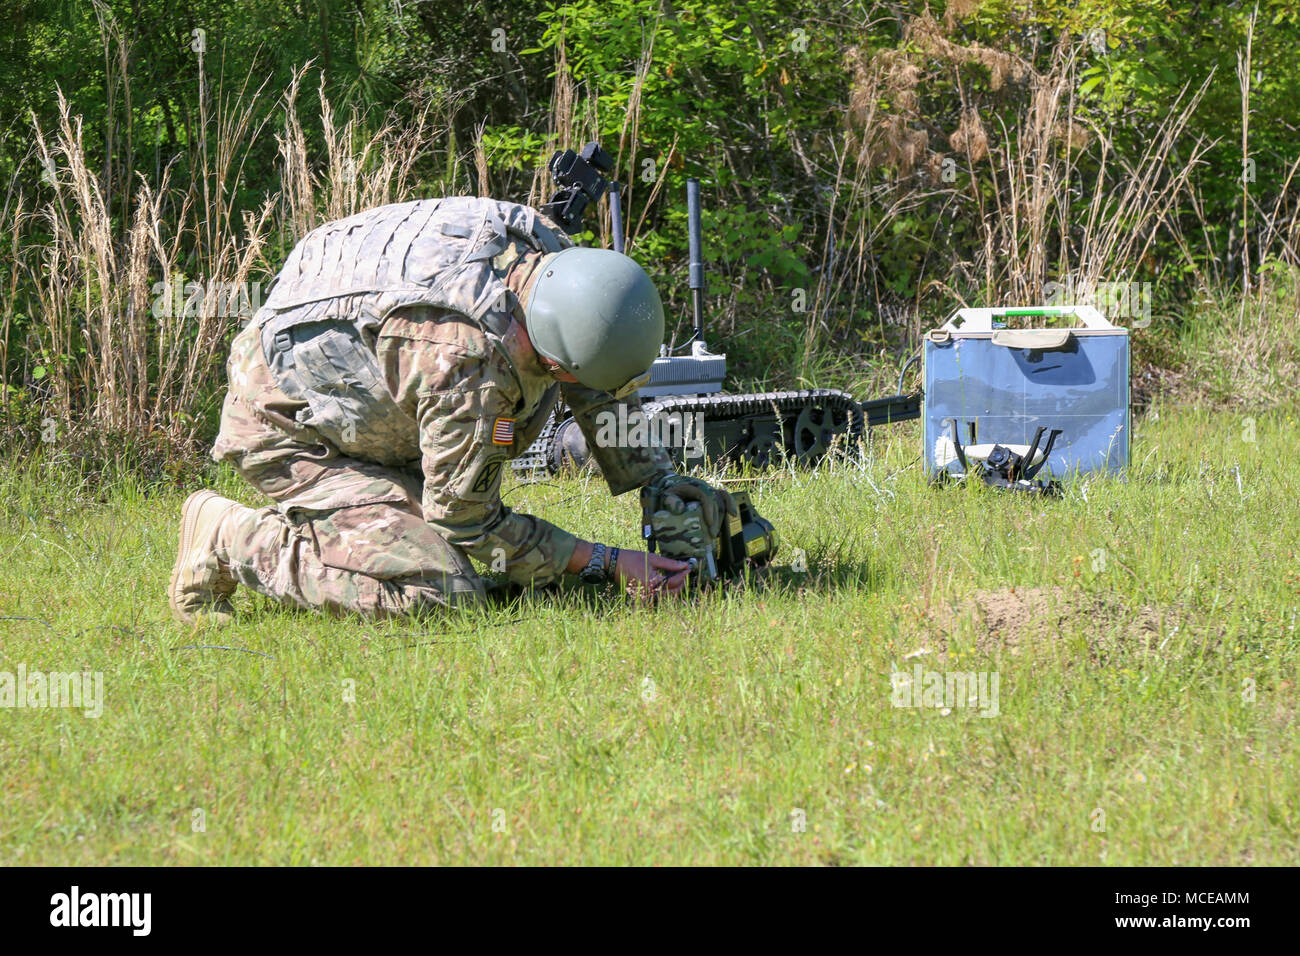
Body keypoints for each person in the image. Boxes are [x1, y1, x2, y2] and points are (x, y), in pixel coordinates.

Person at [169, 196, 735, 623]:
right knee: (444, 589)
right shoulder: (462, 363)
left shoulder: (556, 262)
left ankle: (375, 514)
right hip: (291, 432)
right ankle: (230, 536)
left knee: (503, 575)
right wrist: (606, 562)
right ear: (556, 362)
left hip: (368, 405)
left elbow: (593, 370)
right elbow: (466, 518)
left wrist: (659, 484)